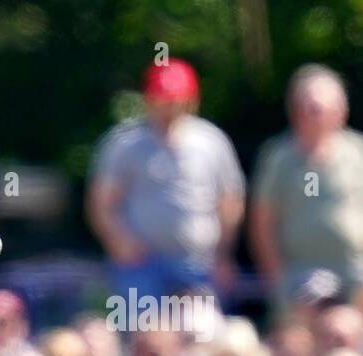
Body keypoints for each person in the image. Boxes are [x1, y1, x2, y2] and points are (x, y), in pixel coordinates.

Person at [87, 60, 245, 306]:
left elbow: (230, 202)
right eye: (163, 98)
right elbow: (102, 202)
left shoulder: (211, 142)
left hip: (199, 263)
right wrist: (120, 243)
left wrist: (223, 256)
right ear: (149, 99)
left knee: (202, 336)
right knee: (144, 335)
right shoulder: (125, 143)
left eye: (176, 99)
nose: (170, 107)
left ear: (192, 100)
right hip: (140, 265)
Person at [250, 65, 363, 315]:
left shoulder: (358, 152)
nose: (312, 115)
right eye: (306, 108)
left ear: (340, 111)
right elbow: (262, 221)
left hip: (353, 269)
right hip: (298, 271)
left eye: (319, 109)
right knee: (297, 343)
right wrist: (276, 276)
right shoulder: (278, 157)